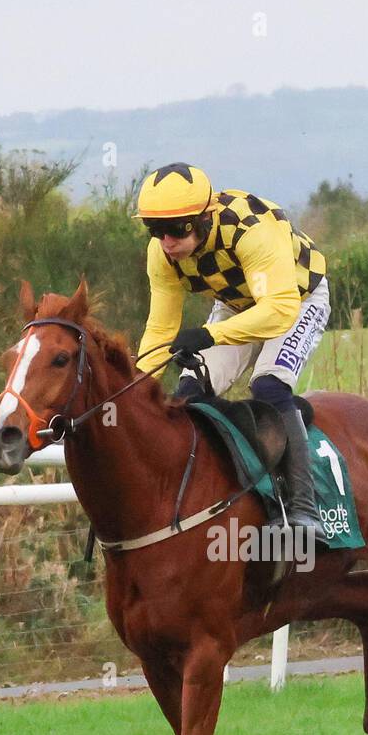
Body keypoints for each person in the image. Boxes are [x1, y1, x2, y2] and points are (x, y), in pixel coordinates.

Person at [135, 161, 330, 543]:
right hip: (237, 306)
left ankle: (304, 510)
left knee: (269, 386)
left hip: (296, 300)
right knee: (189, 393)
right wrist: (136, 388)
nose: (167, 243)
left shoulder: (252, 231)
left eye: (178, 229)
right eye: (155, 231)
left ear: (206, 218)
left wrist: (209, 335)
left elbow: (277, 311)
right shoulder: (161, 255)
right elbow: (160, 330)